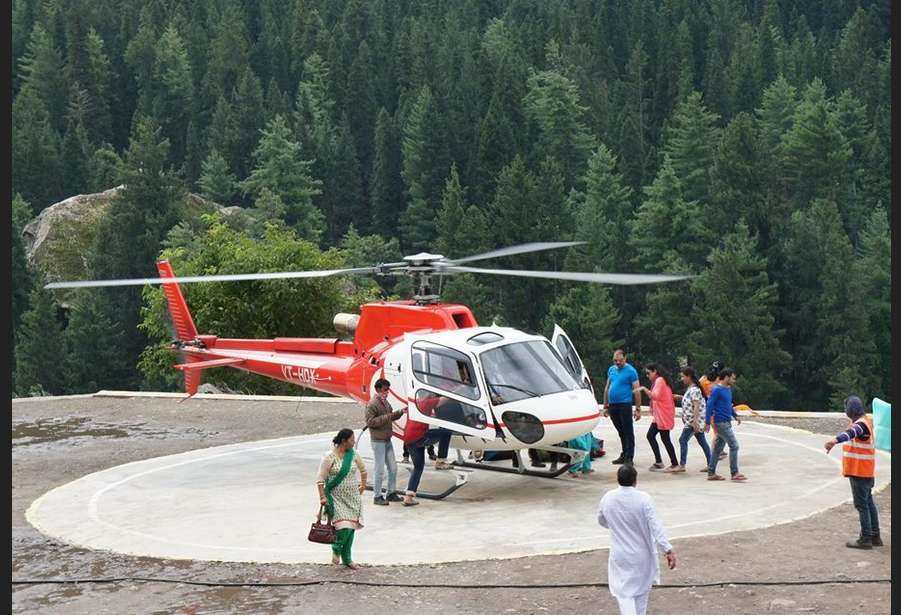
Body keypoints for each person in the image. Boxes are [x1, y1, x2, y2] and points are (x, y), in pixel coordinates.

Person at [598, 465, 677, 615]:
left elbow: (601, 520)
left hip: (620, 553)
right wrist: (667, 549)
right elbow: (656, 527)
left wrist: (617, 526)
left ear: (618, 479)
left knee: (624, 593)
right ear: (635, 480)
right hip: (642, 554)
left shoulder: (608, 497)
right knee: (642, 592)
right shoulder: (643, 499)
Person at [824, 395, 882, 549]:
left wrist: (834, 441)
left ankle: (866, 539)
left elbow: (850, 433)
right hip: (865, 471)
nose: (845, 412)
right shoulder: (864, 422)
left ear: (851, 409)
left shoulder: (860, 425)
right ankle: (875, 536)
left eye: (846, 408)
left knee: (862, 505)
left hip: (860, 472)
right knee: (868, 503)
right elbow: (850, 432)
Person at [317, 428, 367, 569]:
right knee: (343, 527)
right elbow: (320, 479)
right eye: (352, 440)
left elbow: (363, 471)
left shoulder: (354, 454)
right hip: (335, 498)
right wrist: (322, 497)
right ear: (344, 441)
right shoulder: (329, 457)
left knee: (351, 529)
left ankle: (347, 559)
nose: (354, 442)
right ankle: (336, 549)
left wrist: (362, 486)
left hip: (352, 498)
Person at [364, 378, 405, 505]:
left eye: (388, 390)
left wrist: (400, 412)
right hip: (378, 441)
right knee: (379, 469)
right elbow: (370, 422)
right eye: (384, 390)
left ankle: (391, 492)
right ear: (378, 390)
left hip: (387, 440)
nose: (387, 392)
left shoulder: (385, 403)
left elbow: (390, 415)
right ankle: (377, 496)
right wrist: (390, 416)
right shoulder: (372, 404)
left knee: (393, 467)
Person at [704, 368, 747, 481]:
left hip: (726, 421)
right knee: (734, 445)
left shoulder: (728, 389)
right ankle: (734, 473)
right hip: (720, 422)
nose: (734, 380)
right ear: (726, 377)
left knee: (718, 448)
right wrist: (707, 422)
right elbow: (709, 405)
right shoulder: (716, 389)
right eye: (733, 378)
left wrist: (735, 415)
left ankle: (711, 473)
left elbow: (728, 404)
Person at [603, 349, 642, 466]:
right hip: (613, 405)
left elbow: (637, 390)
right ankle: (624, 454)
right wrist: (605, 405)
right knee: (621, 431)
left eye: (620, 360)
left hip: (625, 404)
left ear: (625, 358)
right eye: (615, 360)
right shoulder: (611, 369)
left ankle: (629, 457)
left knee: (628, 431)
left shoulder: (631, 371)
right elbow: (607, 387)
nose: (617, 363)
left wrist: (638, 408)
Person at [638, 364, 678, 471]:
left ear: (655, 371)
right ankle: (659, 462)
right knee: (651, 436)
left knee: (665, 439)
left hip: (663, 415)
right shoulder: (660, 380)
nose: (647, 375)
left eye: (648, 373)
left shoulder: (660, 380)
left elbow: (654, 396)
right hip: (659, 416)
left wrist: (643, 389)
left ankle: (674, 463)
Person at [671, 367, 711, 473]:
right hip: (695, 421)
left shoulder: (694, 389)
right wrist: (680, 397)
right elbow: (691, 400)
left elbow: (696, 405)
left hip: (693, 422)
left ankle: (682, 465)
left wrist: (695, 422)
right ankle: (711, 464)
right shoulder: (692, 389)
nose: (682, 378)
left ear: (688, 376)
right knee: (702, 441)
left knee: (682, 440)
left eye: (683, 376)